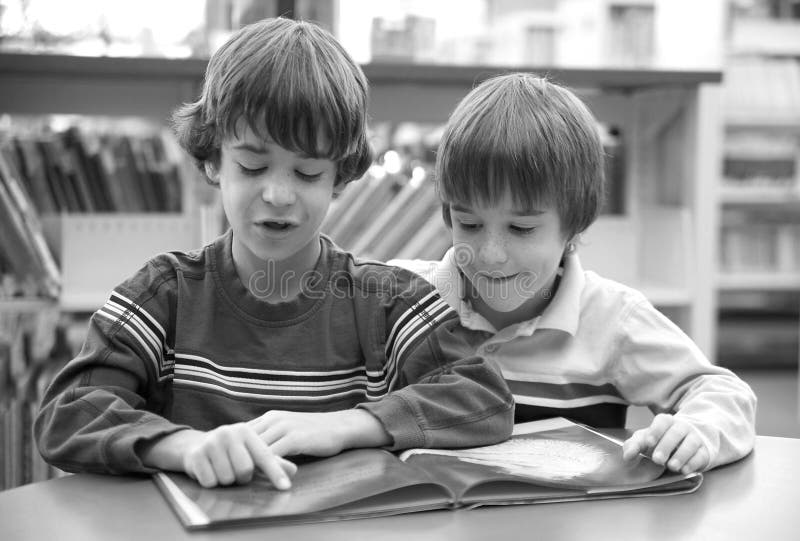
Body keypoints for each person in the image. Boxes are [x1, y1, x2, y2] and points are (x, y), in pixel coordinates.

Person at [34, 18, 513, 490]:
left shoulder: (384, 300)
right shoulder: (165, 294)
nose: (279, 195)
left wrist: (348, 425)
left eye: (307, 174)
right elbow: (68, 412)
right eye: (253, 165)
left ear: (340, 177)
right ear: (212, 160)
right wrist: (181, 446)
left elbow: (485, 397)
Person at [392, 73, 756, 475]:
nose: (490, 255)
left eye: (522, 229)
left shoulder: (613, 318)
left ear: (574, 228)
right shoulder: (400, 297)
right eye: (469, 224)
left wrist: (698, 430)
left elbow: (724, 393)